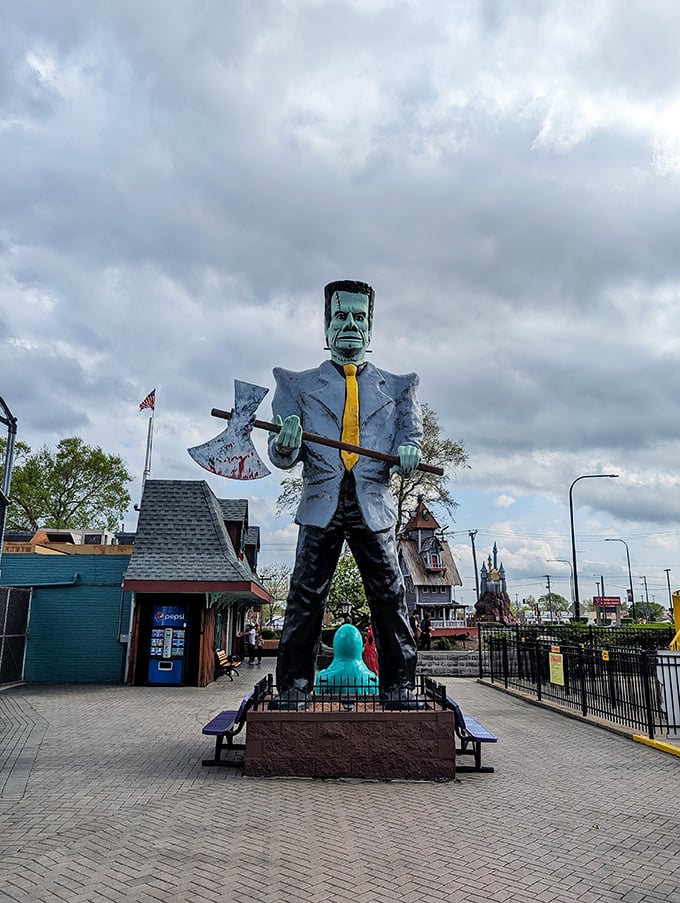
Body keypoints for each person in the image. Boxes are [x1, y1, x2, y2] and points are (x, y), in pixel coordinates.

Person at [268, 279, 424, 709]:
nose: (350, 324)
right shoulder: (294, 384)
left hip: (373, 505)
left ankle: (398, 686)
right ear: (326, 325)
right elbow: (283, 456)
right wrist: (285, 442)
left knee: (390, 595)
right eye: (341, 316)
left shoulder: (399, 386)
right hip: (322, 502)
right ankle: (295, 687)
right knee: (304, 594)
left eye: (359, 317)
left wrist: (409, 450)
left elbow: (411, 436)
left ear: (371, 327)